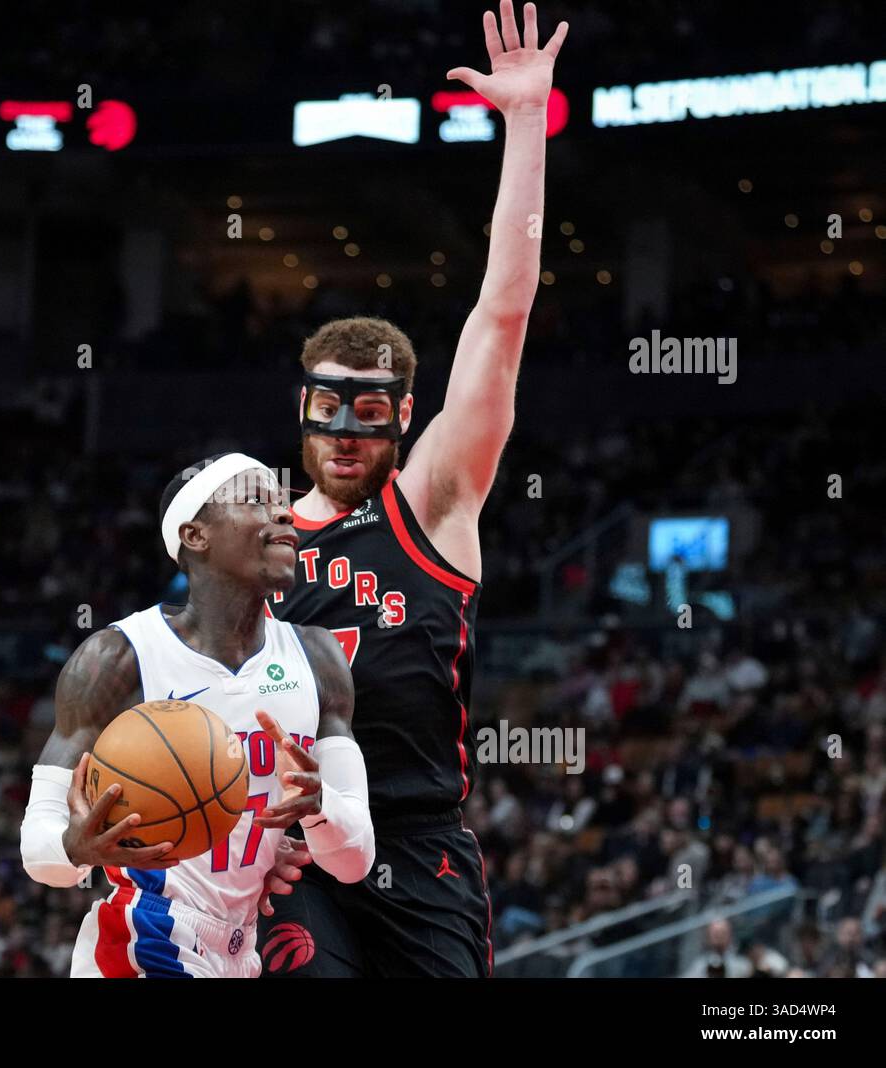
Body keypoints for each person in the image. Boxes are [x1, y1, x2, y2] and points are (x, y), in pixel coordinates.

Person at [259, 1, 567, 978]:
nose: (347, 435)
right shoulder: (250, 542)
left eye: (370, 413)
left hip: (419, 838)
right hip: (295, 844)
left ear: (403, 416)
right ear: (303, 411)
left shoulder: (431, 500)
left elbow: (503, 312)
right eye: (330, 411)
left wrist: (526, 123)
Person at [21, 454, 375, 977]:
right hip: (146, 937)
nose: (284, 513)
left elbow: (354, 861)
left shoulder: (319, 658)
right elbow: (38, 854)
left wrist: (320, 807)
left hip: (240, 947)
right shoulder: (118, 658)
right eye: (257, 500)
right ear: (195, 534)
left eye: (283, 503)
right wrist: (75, 848)